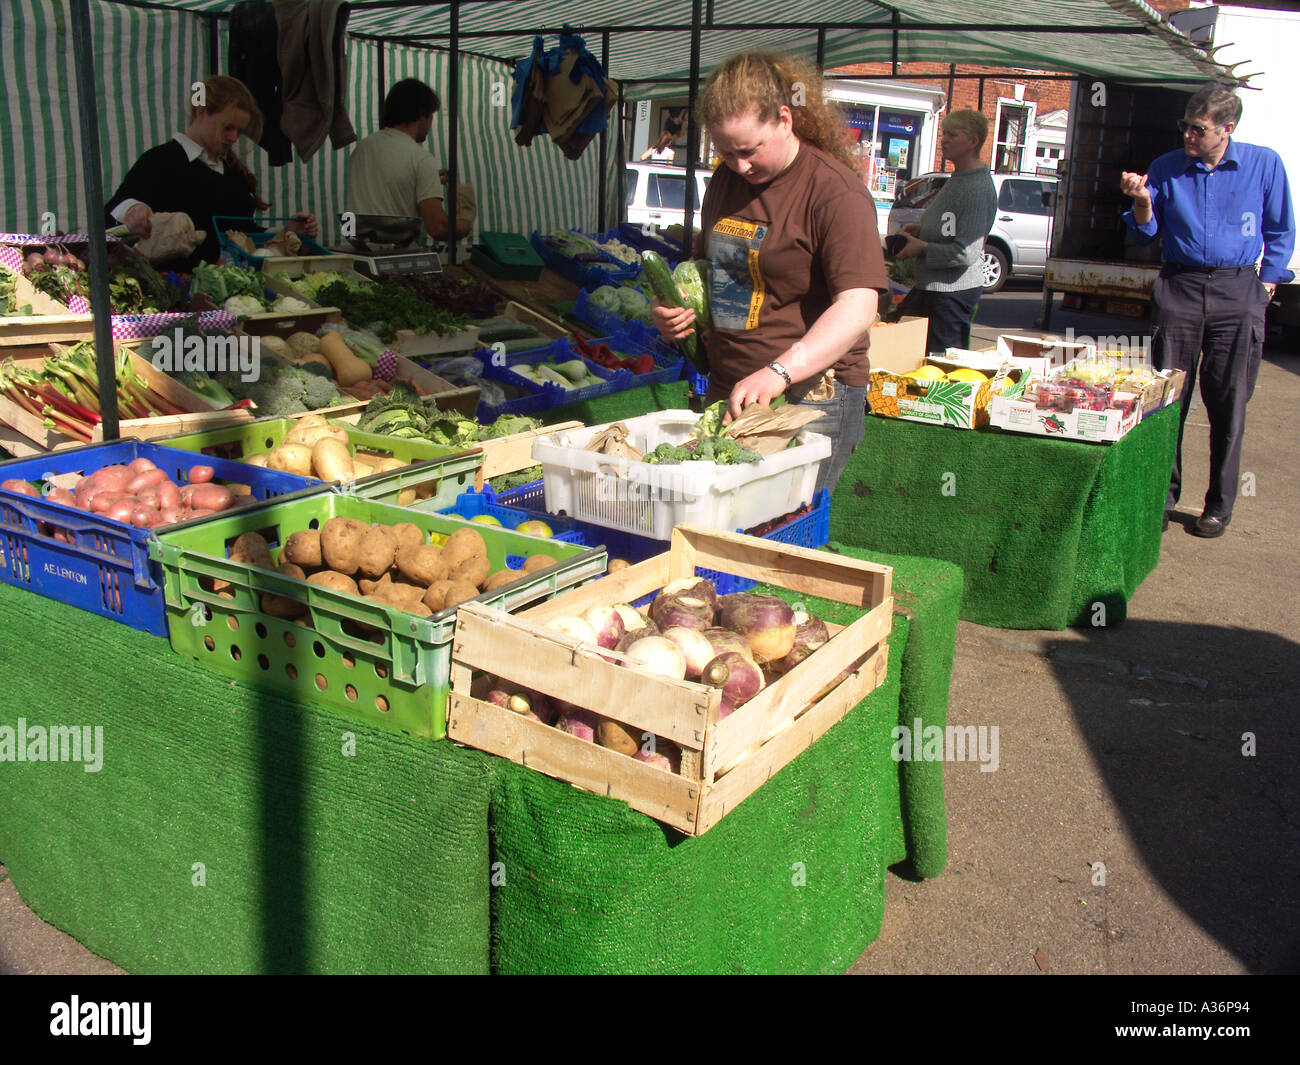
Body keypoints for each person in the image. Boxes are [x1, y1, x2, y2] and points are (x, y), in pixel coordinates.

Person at [651, 53, 887, 497]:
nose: (739, 165)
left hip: (809, 396)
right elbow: (710, 272)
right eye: (725, 152)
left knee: (781, 529)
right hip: (732, 390)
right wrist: (674, 312)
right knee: (724, 530)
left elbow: (858, 306)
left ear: (784, 120)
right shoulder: (725, 181)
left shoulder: (834, 192)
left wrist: (779, 371)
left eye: (749, 150)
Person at [1121, 83, 1294, 538]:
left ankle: (1218, 505)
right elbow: (1142, 235)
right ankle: (1162, 496)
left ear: (1227, 129)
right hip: (1180, 285)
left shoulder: (1264, 164)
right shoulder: (1166, 168)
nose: (1188, 137)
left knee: (1229, 400)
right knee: (1168, 399)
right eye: (1185, 126)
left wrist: (1268, 282)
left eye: (1198, 129)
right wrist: (1142, 202)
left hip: (1239, 289)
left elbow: (1280, 226)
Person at [105, 75, 317, 270]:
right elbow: (109, 216)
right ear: (201, 112)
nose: (234, 138)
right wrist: (133, 209)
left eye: (239, 131)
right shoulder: (160, 161)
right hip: (171, 292)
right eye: (228, 128)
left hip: (225, 289)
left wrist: (286, 233)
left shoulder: (233, 176)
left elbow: (241, 234)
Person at [890, 110, 997, 353]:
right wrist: (922, 230)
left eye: (952, 134)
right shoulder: (959, 179)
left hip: (952, 293)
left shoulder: (976, 188)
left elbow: (965, 253)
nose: (944, 140)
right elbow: (951, 227)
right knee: (901, 344)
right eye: (943, 134)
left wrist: (922, 247)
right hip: (932, 287)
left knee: (943, 364)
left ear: (973, 142)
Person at [346, 79, 475, 243]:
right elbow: (438, 228)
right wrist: (465, 222)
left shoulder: (362, 149)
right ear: (422, 114)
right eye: (432, 116)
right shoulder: (421, 159)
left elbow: (386, 185)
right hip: (396, 255)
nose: (431, 123)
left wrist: (429, 180)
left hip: (356, 249)